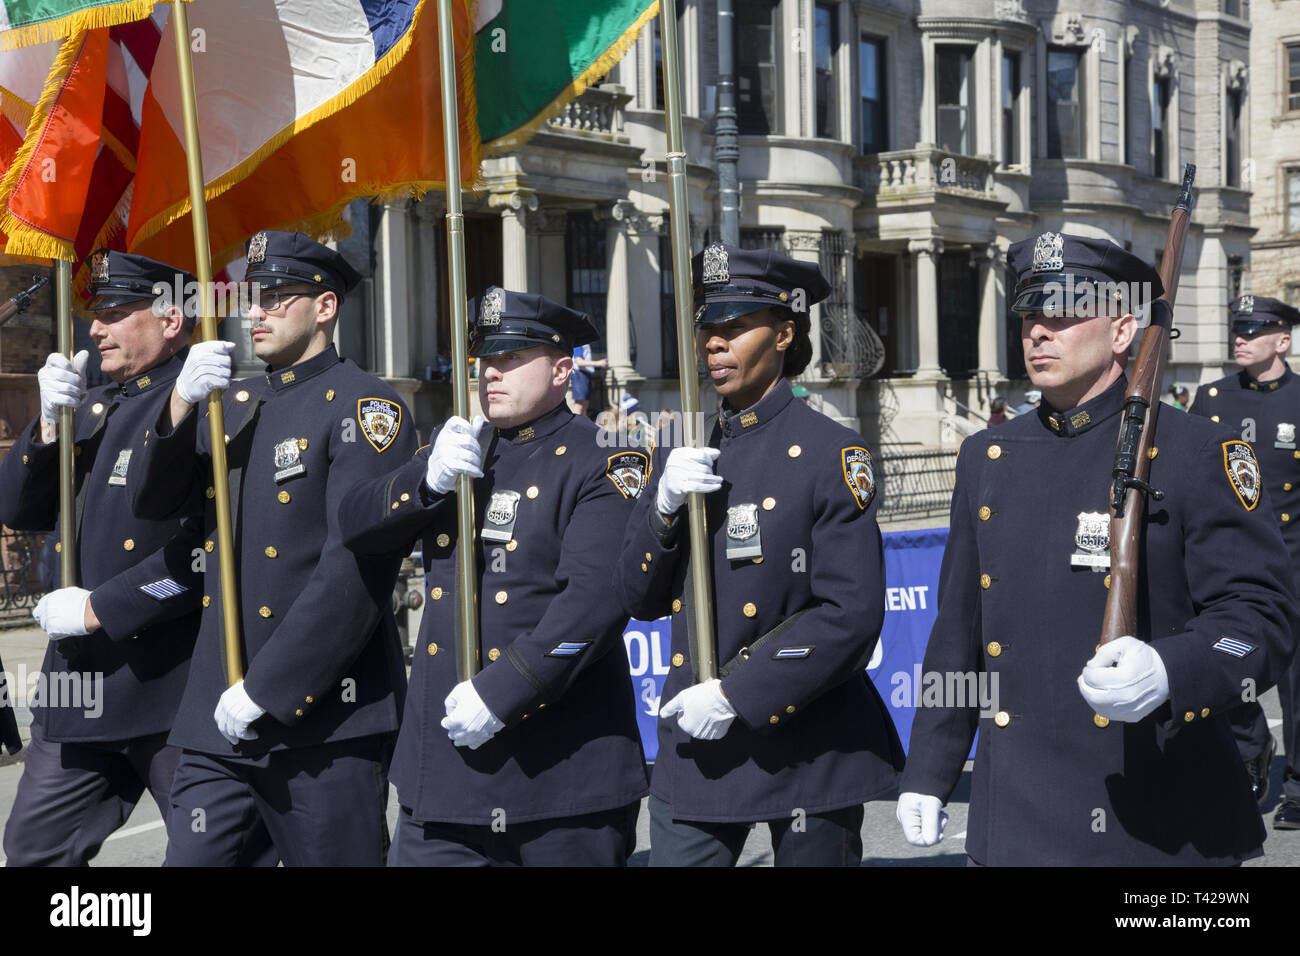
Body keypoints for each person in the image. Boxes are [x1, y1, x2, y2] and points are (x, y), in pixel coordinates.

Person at [897, 233, 1298, 865]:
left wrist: (1175, 668)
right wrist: (930, 766)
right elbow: (961, 631)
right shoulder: (987, 457)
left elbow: (1260, 618)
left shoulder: (1199, 450)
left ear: (1121, 331)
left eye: (1063, 313)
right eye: (1031, 314)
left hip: (1160, 824)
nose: (1039, 332)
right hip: (1017, 822)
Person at [128, 230, 415, 866]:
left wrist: (270, 688)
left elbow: (355, 567)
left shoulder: (365, 404)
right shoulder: (232, 405)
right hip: (217, 714)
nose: (254, 312)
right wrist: (177, 405)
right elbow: (153, 503)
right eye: (251, 299)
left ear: (325, 307)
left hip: (321, 717)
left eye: (276, 298)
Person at [338, 287, 649, 866]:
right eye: (485, 359)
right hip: (446, 774)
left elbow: (595, 603)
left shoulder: (605, 458)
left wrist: (505, 689)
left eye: (511, 358)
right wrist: (422, 483)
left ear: (562, 370)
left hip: (556, 774)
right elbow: (356, 527)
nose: (491, 373)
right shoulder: (459, 452)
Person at [615, 243, 903, 867]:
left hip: (805, 741)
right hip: (697, 742)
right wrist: (663, 508)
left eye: (735, 326)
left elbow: (849, 614)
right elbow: (638, 598)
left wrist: (737, 694)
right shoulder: (684, 449)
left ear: (783, 333)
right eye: (707, 328)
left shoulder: (832, 452)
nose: (714, 343)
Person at [0, 251, 205, 866]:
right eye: (96, 314)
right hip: (78, 690)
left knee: (212, 854)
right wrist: (45, 429)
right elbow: (18, 508)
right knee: (34, 853)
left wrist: (101, 607)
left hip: (171, 683)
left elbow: (206, 549)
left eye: (116, 313)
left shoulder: (200, 403)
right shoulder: (88, 407)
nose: (96, 328)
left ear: (171, 321)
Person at [1189, 295, 1300, 823]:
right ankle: (1252, 743)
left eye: (1254, 330)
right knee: (1224, 666)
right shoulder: (1211, 399)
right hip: (1228, 568)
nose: (1241, 338)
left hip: (1295, 563)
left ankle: (1299, 788)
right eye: (1237, 329)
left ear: (1283, 340)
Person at [570, 342, 607, 417]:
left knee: (585, 403)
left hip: (585, 374)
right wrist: (598, 363)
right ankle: (575, 426)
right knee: (580, 403)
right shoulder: (578, 343)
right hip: (580, 374)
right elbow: (579, 362)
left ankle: (582, 425)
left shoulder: (584, 343)